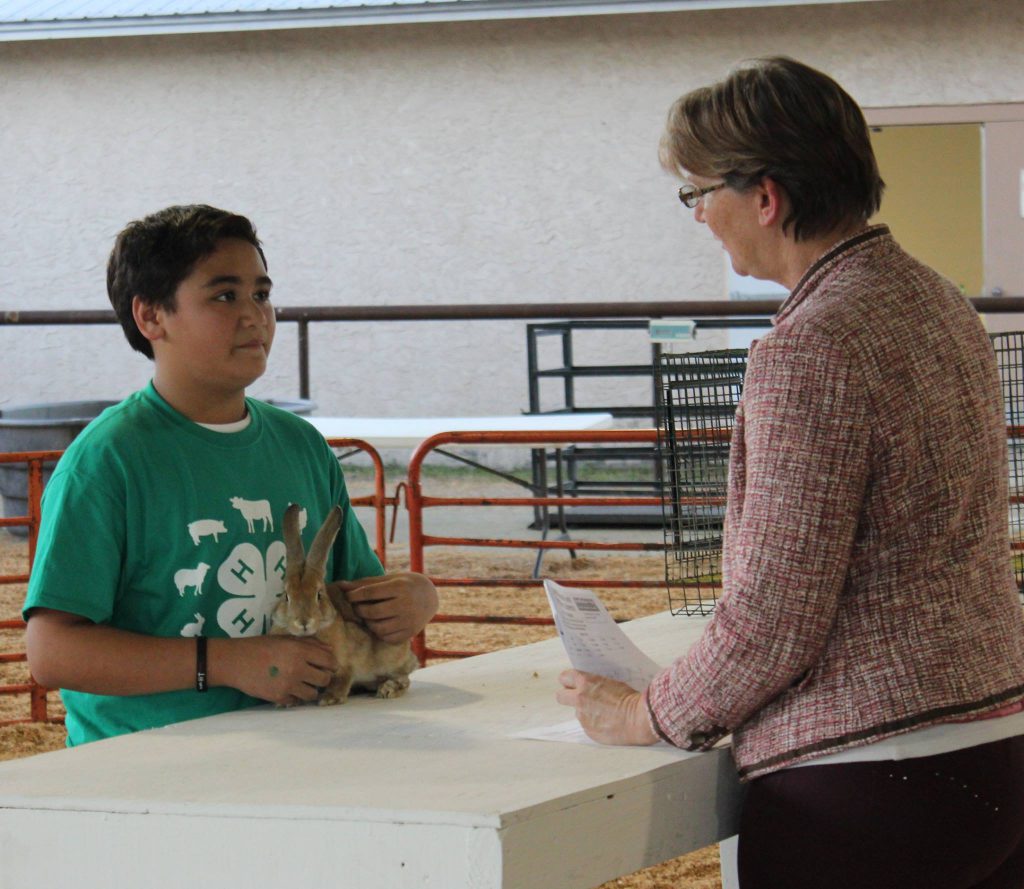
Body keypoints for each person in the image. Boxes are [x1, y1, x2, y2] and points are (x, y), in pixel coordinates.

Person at [556, 58, 1024, 888]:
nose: (700, 216)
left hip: (866, 780)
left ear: (766, 197)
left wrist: (646, 713)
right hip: (994, 745)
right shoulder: (940, 303)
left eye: (699, 193)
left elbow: (775, 615)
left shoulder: (811, 347)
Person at [23, 204, 438, 746]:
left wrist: (414, 599)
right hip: (152, 762)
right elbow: (53, 652)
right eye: (224, 296)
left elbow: (350, 595)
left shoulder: (300, 445)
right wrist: (222, 663)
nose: (254, 316)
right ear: (151, 317)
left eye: (261, 294)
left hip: (309, 744)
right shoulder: (108, 461)